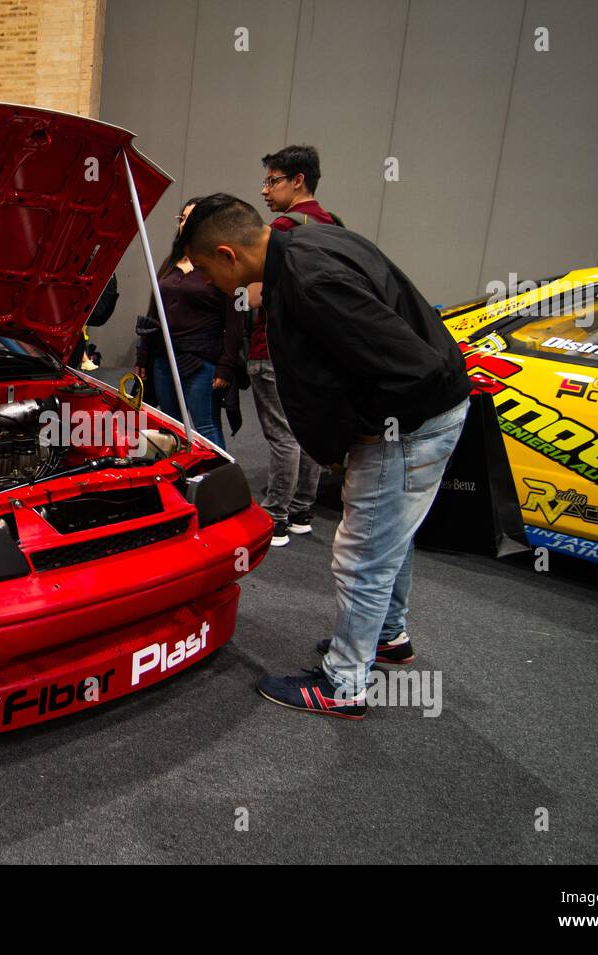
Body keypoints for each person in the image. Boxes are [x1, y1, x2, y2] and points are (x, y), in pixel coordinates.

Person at [181, 194, 471, 720]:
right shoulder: (312, 241)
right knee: (392, 540)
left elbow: (411, 370)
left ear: (227, 254)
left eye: (205, 270)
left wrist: (365, 434)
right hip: (433, 417)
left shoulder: (310, 281)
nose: (209, 284)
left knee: (361, 559)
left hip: (406, 428)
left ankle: (344, 685)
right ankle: (388, 636)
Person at [249, 145, 339, 545]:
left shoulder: (283, 230)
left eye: (273, 181)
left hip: (275, 348)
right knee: (307, 430)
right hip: (317, 349)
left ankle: (276, 517)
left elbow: (253, 296)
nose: (265, 191)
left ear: (298, 180)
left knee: (281, 435)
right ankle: (302, 510)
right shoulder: (333, 225)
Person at [134, 198, 245, 450]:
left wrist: (226, 365)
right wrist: (143, 356)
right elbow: (154, 310)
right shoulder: (171, 263)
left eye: (191, 218)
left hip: (202, 360)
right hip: (163, 357)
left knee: (205, 427)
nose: (185, 223)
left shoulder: (222, 264)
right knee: (170, 426)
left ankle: (217, 485)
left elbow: (236, 321)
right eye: (182, 218)